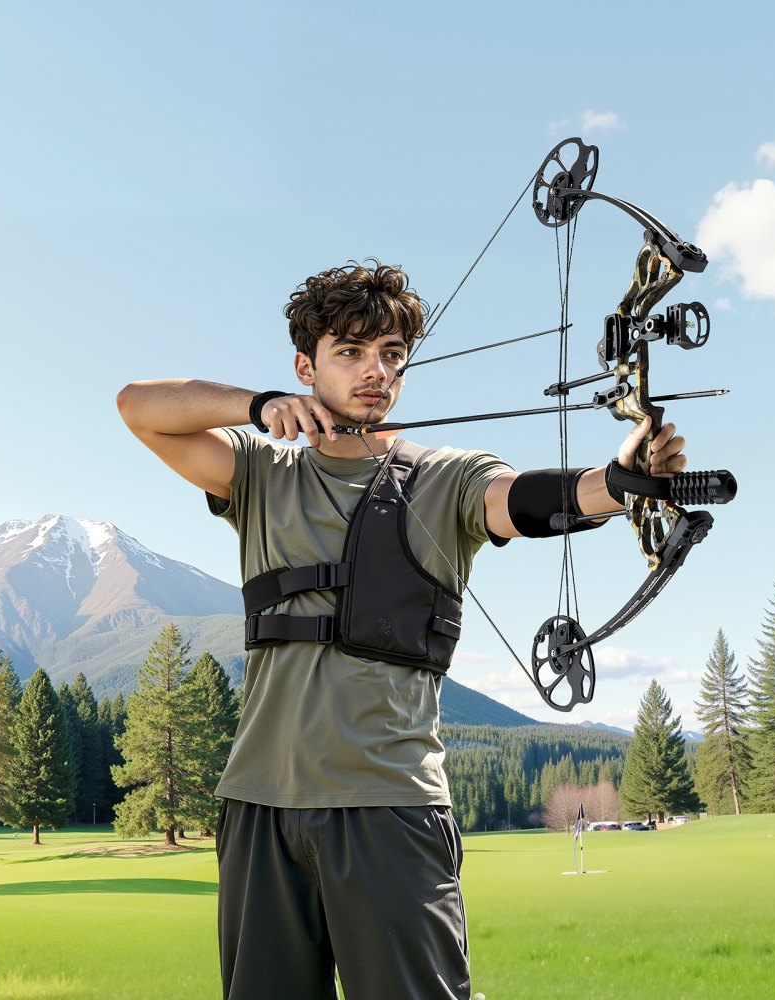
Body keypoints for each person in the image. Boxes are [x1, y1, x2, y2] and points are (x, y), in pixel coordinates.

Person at [116, 261, 686, 1000]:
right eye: (350, 352)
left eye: (391, 355)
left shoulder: (446, 477)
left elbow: (527, 500)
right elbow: (138, 406)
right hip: (258, 806)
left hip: (389, 806)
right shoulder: (259, 471)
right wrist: (258, 407)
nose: (375, 371)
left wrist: (616, 484)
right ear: (305, 366)